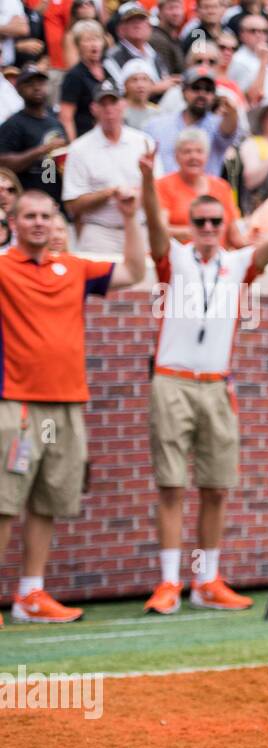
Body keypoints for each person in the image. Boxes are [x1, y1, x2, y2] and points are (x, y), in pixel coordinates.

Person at [138, 148, 268, 614]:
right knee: (171, 486)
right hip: (172, 379)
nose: (210, 228)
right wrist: (148, 180)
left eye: (217, 221)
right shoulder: (174, 257)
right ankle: (170, 581)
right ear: (190, 224)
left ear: (225, 223)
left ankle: (206, 578)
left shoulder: (236, 265)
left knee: (215, 486)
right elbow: (153, 225)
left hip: (216, 383)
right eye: (202, 221)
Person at [0, 187, 145, 624]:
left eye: (47, 215)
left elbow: (136, 271)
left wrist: (130, 216)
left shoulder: (75, 267)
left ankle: (31, 594)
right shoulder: (2, 268)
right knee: (4, 503)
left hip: (66, 405)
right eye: (30, 216)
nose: (39, 222)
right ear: (13, 222)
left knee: (48, 500)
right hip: (18, 403)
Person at [61, 79, 152, 254]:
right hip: (99, 231)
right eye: (103, 104)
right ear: (93, 109)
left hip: (139, 225)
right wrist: (110, 193)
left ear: (123, 105)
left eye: (113, 102)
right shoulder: (79, 149)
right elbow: (72, 205)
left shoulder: (143, 142)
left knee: (144, 280)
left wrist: (138, 194)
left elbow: (158, 189)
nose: (109, 109)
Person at [144, 66, 243, 178]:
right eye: (196, 88)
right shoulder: (157, 125)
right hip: (164, 192)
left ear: (214, 95)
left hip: (204, 194)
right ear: (183, 91)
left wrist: (232, 112)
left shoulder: (217, 125)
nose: (202, 94)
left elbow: (229, 130)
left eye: (208, 90)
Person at [154, 127, 242, 247]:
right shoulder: (162, 185)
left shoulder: (222, 187)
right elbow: (158, 230)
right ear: (176, 156)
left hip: (217, 259)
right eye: (187, 152)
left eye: (199, 151)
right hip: (177, 257)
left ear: (207, 156)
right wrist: (197, 232)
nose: (193, 157)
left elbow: (235, 236)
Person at [0, 67, 67, 204]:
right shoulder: (13, 124)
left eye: (40, 83)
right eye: (30, 84)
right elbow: (4, 163)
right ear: (18, 90)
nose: (36, 88)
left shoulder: (55, 122)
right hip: (27, 198)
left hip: (56, 196)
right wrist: (42, 149)